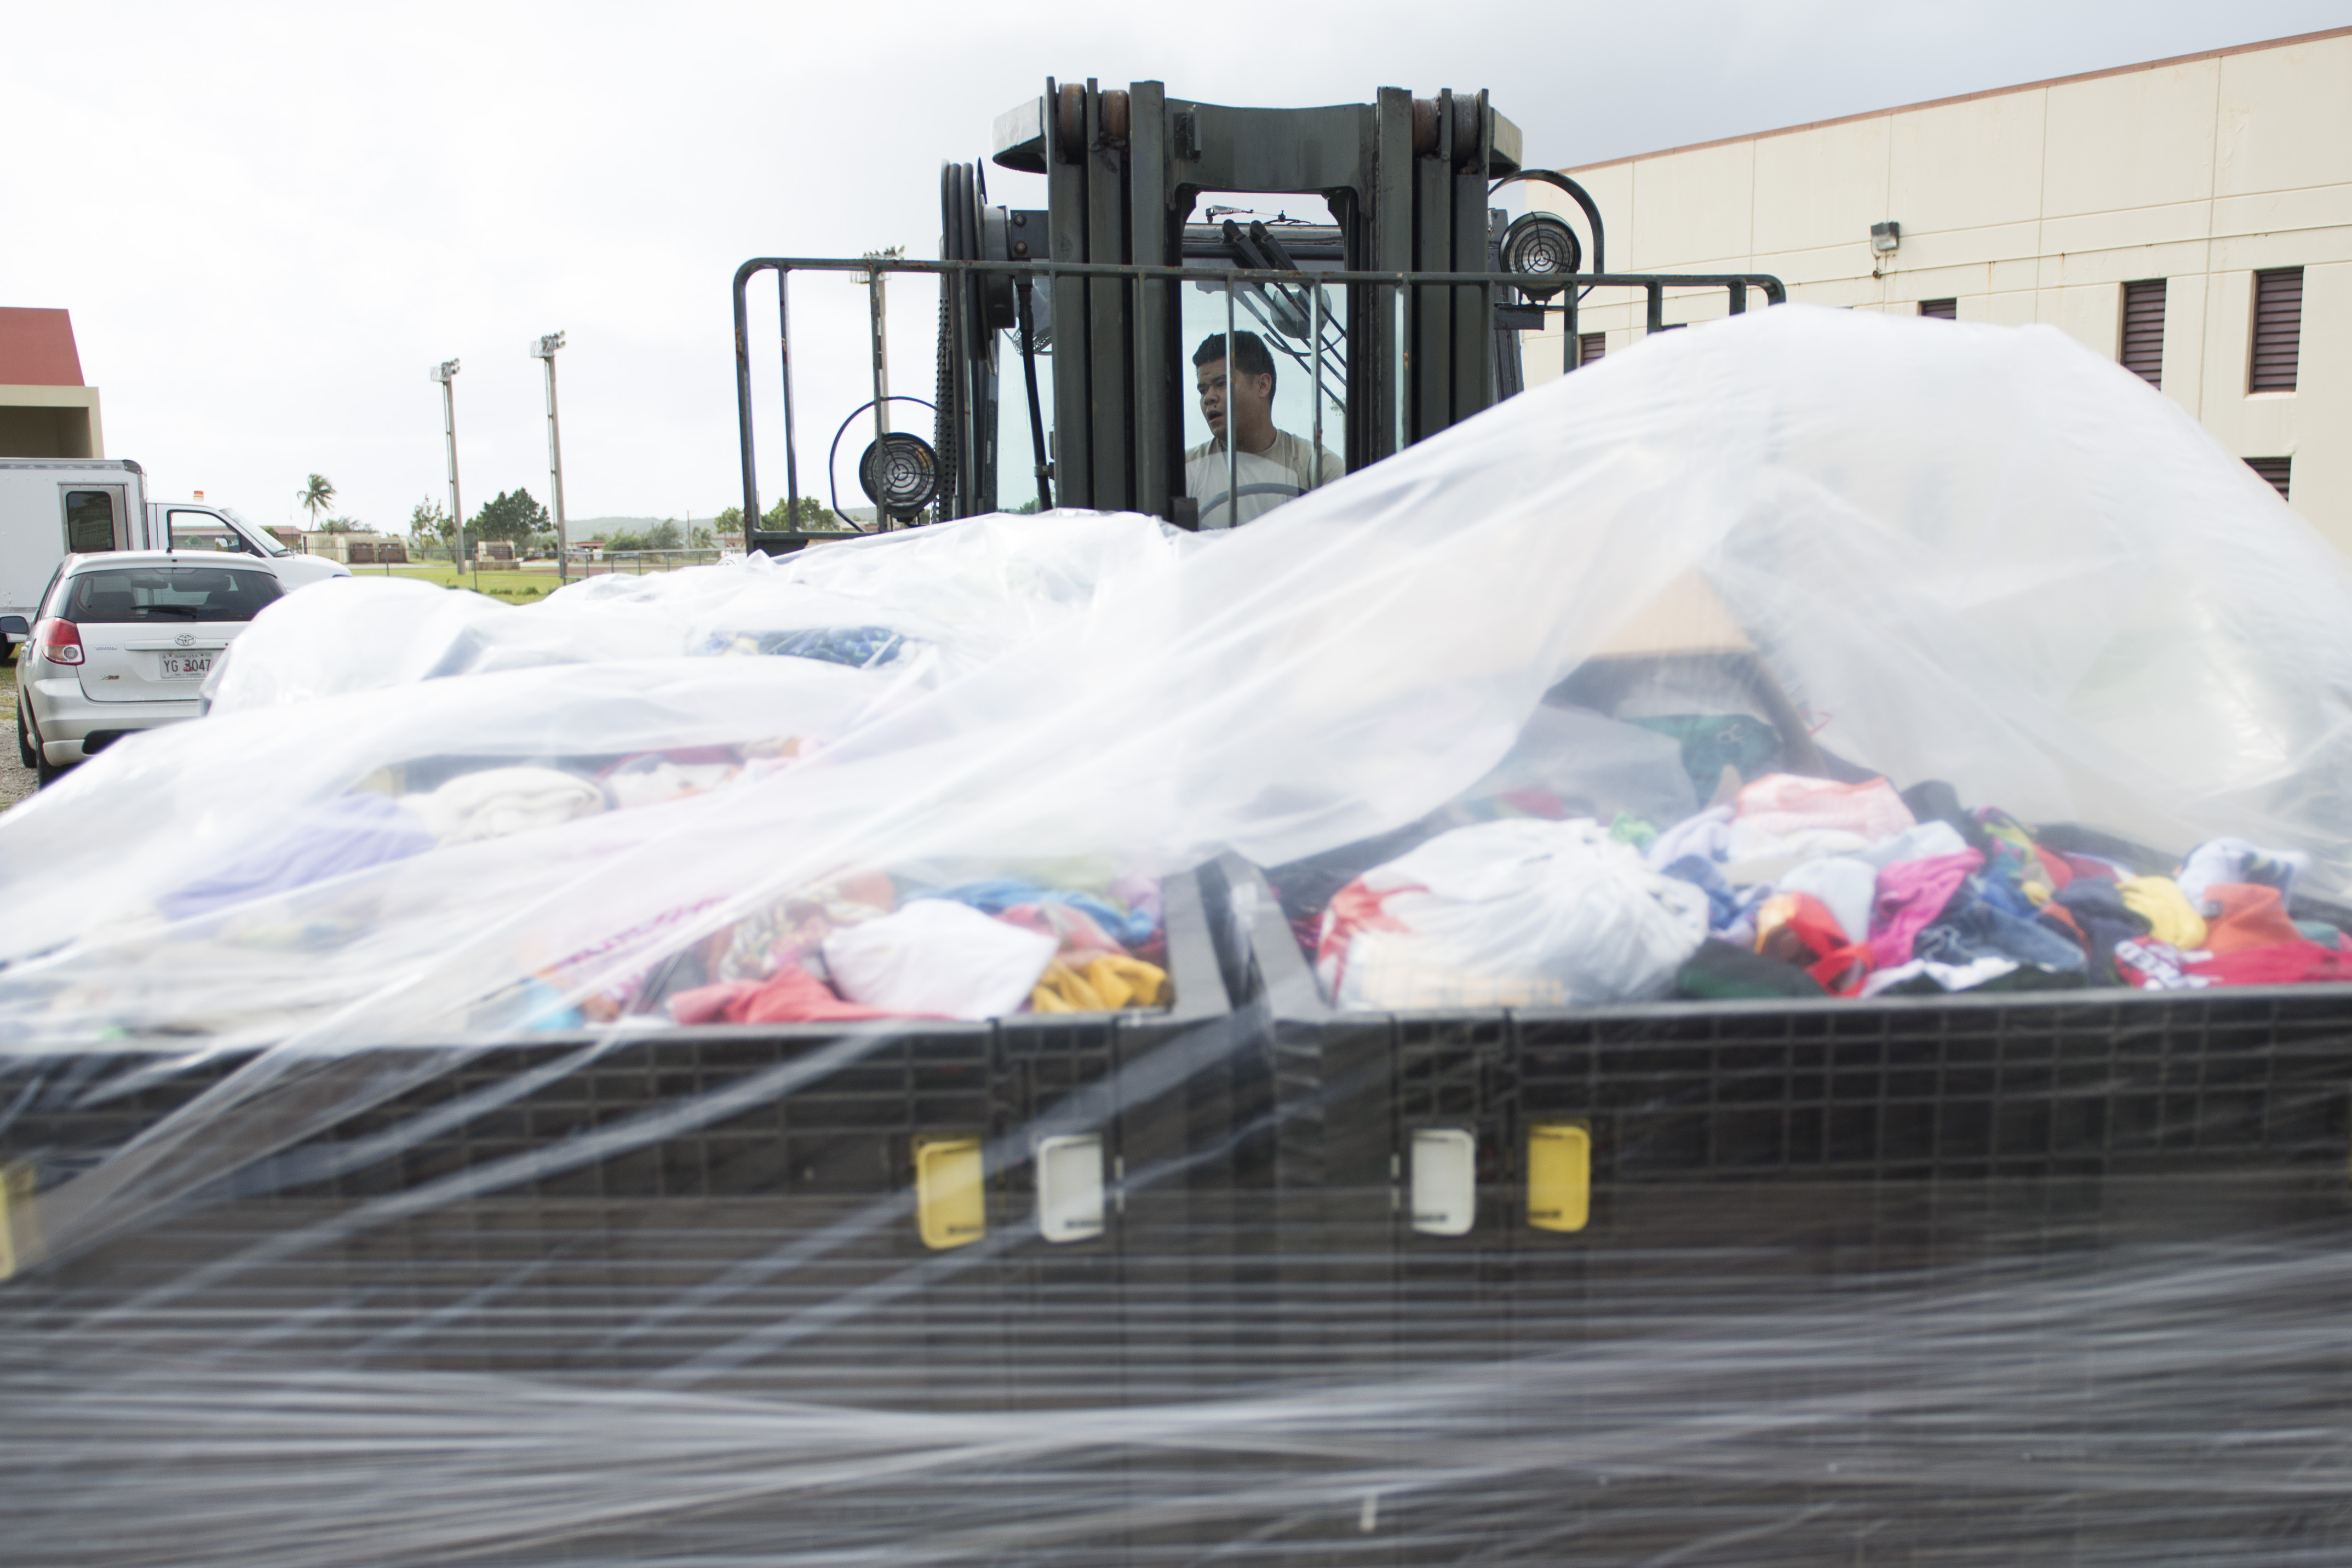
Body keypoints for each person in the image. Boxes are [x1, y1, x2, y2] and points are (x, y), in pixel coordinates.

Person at [1184, 331, 1345, 527]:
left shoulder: (1316, 467)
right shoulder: (1186, 471)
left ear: (1263, 385)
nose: (1208, 398)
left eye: (1222, 384)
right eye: (1203, 390)